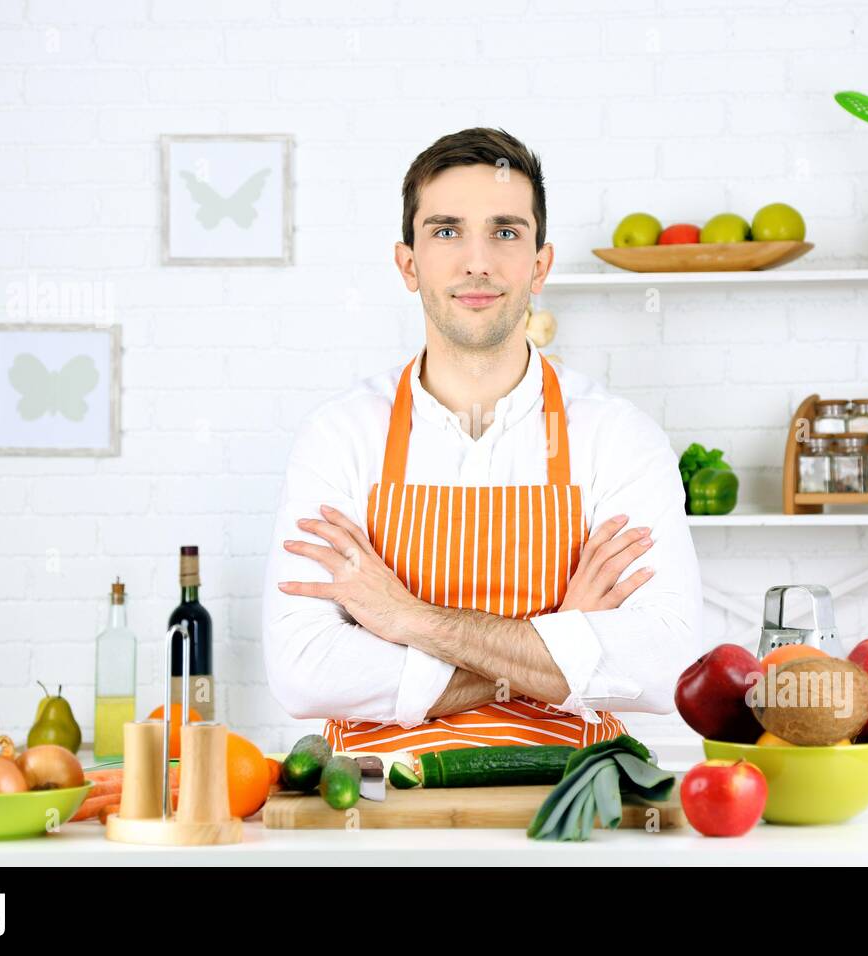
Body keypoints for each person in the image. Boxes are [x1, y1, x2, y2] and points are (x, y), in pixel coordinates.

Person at [261, 127, 702, 756]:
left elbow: (662, 666)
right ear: (407, 264)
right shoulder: (340, 436)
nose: (477, 262)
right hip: (376, 804)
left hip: (569, 800)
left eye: (505, 232)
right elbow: (304, 670)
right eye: (445, 232)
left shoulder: (617, 436)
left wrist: (409, 620)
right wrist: (553, 646)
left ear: (540, 264)